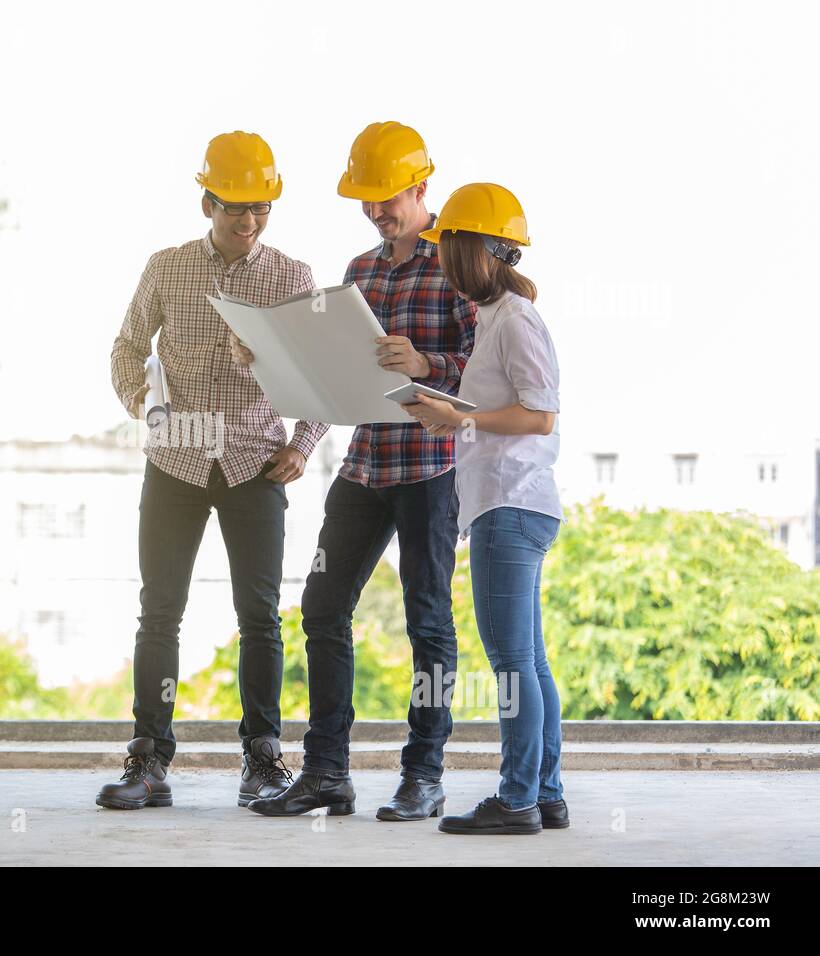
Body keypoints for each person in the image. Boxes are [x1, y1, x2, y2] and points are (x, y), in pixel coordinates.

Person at [243, 122, 477, 820]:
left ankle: (423, 774)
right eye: (366, 200)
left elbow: (490, 376)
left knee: (428, 620)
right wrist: (283, 367)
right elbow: (335, 372)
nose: (377, 211)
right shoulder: (360, 273)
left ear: (421, 187)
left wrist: (428, 364)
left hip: (433, 468)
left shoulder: (458, 266)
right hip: (367, 463)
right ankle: (326, 773)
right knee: (321, 606)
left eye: (387, 198)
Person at [98, 131, 330, 810]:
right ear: (207, 201)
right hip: (175, 460)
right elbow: (127, 346)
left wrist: (304, 443)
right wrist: (145, 404)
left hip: (255, 463)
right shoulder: (167, 269)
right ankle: (149, 758)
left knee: (259, 617)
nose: (249, 220)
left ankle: (262, 759)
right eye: (236, 207)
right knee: (160, 612)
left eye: (261, 208)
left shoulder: (291, 277)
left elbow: (320, 372)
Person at [403, 182, 568, 834]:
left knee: (510, 664)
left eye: (448, 250)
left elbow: (541, 411)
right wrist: (446, 414)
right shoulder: (493, 319)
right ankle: (545, 793)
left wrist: (458, 413)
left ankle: (517, 798)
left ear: (475, 250)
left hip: (511, 506)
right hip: (510, 505)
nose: (442, 263)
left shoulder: (517, 320)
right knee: (530, 661)